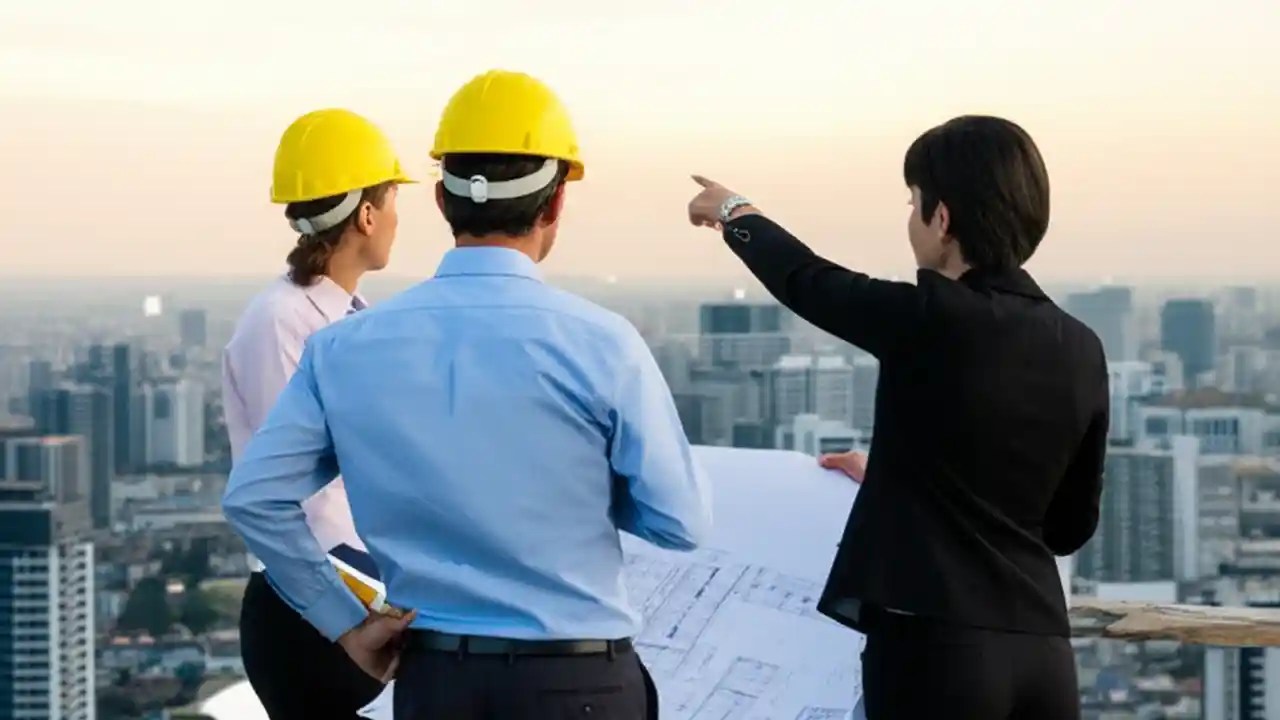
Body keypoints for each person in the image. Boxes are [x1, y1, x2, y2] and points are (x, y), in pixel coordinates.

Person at [222, 69, 711, 720]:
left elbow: (255, 498)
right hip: (580, 686)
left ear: (443, 201)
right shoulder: (604, 343)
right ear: (556, 203)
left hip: (435, 683)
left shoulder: (345, 347)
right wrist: (578, 490)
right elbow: (682, 523)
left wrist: (344, 623)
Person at [686, 116, 1108, 720]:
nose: (911, 221)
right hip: (1043, 657)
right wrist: (901, 476)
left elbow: (809, 281)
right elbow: (1068, 527)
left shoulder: (931, 318)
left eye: (913, 204)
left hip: (939, 653)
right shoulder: (1081, 345)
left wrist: (733, 210)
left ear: (943, 218)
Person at [222, 107, 415, 720]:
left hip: (353, 598)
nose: (394, 218)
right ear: (365, 213)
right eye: (390, 199)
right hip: (314, 606)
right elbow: (291, 494)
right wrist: (350, 617)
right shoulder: (284, 320)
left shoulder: (346, 316)